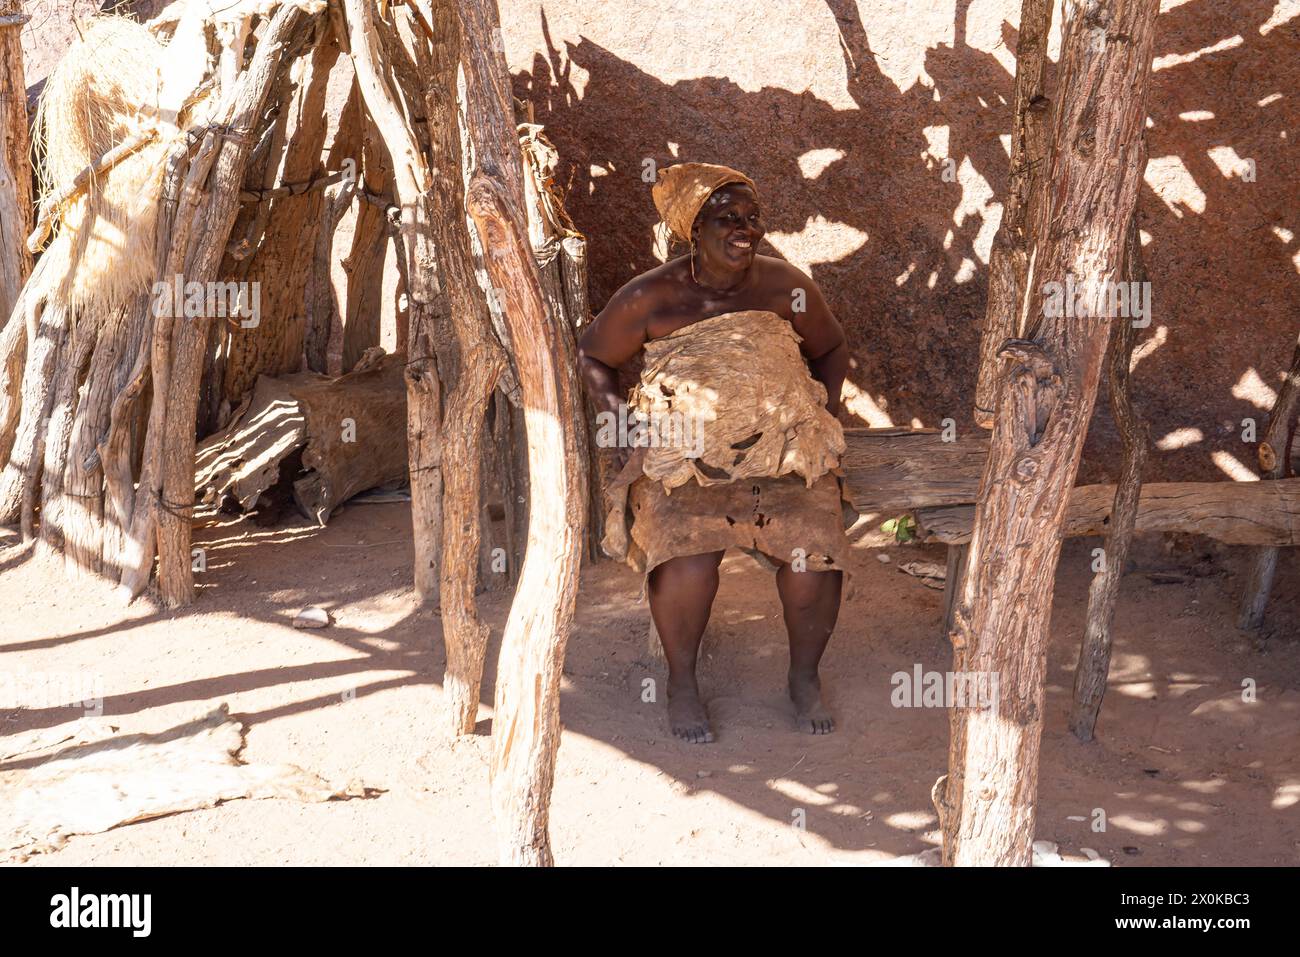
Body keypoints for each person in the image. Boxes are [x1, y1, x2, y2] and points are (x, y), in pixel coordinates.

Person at [578, 163, 852, 744]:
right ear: (693, 229)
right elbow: (593, 357)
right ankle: (681, 684)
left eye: (752, 219)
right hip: (688, 463)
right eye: (728, 218)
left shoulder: (784, 286)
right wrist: (617, 417)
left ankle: (804, 679)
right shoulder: (652, 296)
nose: (745, 230)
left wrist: (821, 410)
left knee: (812, 559)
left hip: (781, 460)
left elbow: (831, 346)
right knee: (687, 560)